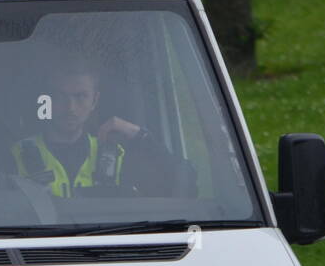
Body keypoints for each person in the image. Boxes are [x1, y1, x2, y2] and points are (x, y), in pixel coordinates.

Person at [11, 61, 192, 198]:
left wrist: (138, 135)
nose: (70, 108)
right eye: (60, 96)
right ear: (45, 100)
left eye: (80, 96)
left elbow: (184, 186)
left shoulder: (116, 154)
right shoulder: (15, 154)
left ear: (95, 101)